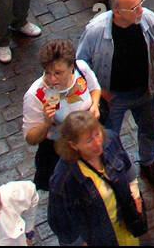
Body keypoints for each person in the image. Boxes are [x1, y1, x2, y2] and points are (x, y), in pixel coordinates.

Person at [76, 0, 154, 187]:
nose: (141, 11)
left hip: (145, 91)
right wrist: (99, 92)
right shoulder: (96, 32)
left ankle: (147, 161)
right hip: (113, 98)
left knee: (149, 129)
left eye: (140, 4)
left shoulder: (148, 20)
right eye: (134, 8)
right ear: (117, 12)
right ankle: (112, 170)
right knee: (109, 137)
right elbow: (80, 66)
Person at [47, 111, 145, 246]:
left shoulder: (110, 140)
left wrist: (135, 195)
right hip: (97, 238)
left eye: (97, 134)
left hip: (125, 227)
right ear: (73, 145)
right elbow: (60, 222)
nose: (98, 143)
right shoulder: (63, 179)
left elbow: (128, 169)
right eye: (89, 140)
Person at [22, 38, 101, 191]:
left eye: (58, 73)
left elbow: (94, 87)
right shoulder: (35, 95)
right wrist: (46, 123)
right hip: (61, 152)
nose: (52, 79)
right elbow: (31, 138)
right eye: (47, 72)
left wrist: (95, 105)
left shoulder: (81, 69)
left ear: (71, 67)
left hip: (88, 141)